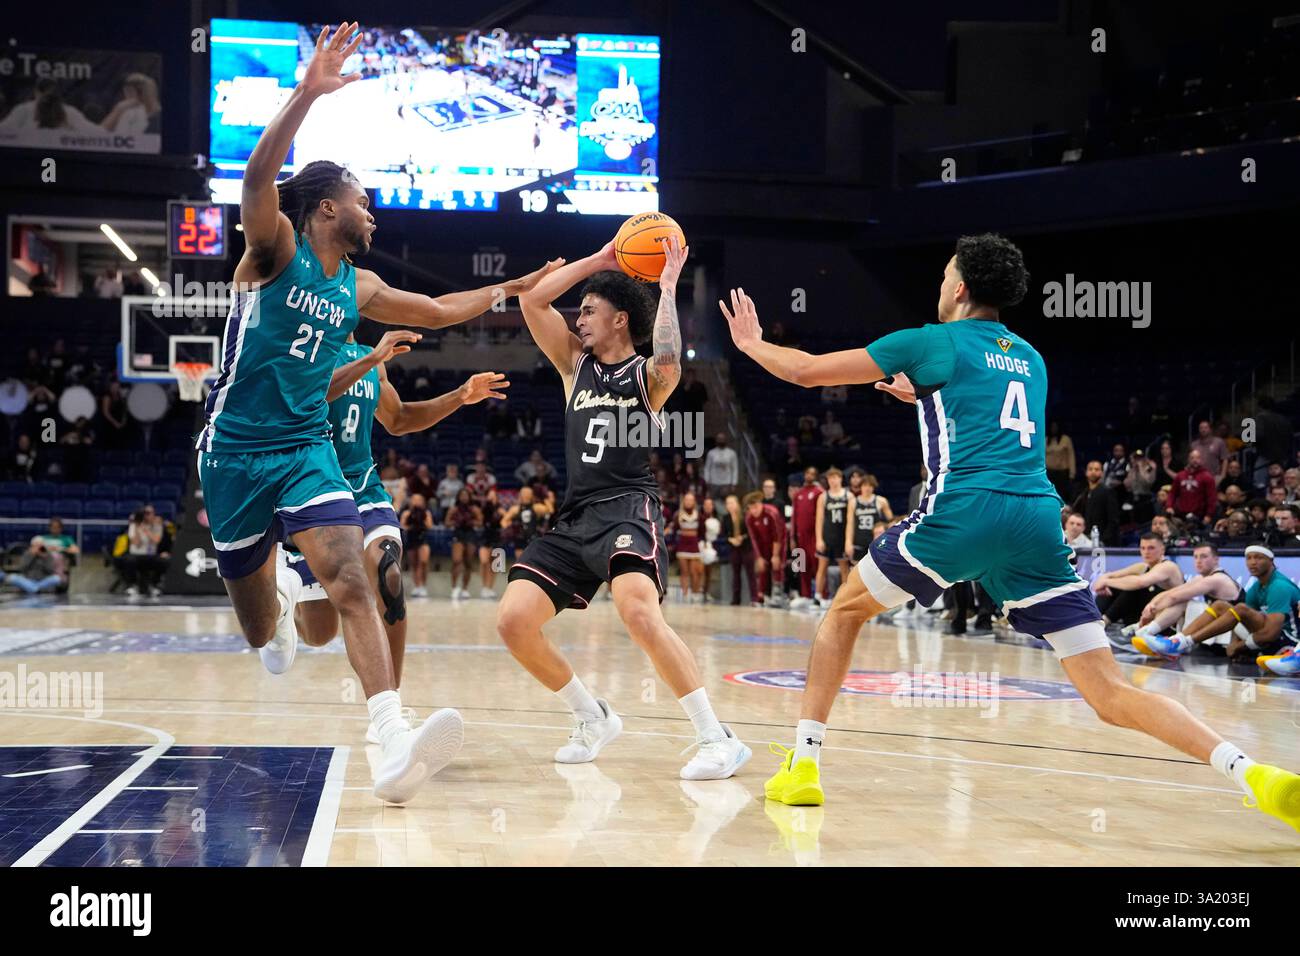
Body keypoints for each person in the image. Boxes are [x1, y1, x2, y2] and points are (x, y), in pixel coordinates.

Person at [719, 232, 1300, 829]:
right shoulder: (1029, 356)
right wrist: (919, 395)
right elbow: (983, 406)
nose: (940, 283)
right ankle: (1251, 772)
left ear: (962, 287)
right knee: (1110, 693)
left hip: (966, 510)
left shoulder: (929, 340)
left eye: (946, 273)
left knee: (842, 613)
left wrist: (752, 343)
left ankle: (805, 766)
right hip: (1035, 520)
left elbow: (810, 372)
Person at [192, 23, 557, 806]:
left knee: (355, 577)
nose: (375, 216)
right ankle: (277, 608)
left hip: (303, 447)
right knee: (264, 636)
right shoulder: (274, 248)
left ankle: (388, 737)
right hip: (230, 453)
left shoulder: (356, 288)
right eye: (365, 203)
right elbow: (258, 173)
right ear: (327, 208)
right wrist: (308, 93)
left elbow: (435, 309)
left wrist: (514, 289)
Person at [499, 234, 750, 779]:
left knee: (637, 609)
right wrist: (600, 260)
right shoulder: (574, 365)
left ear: (619, 320)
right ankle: (592, 718)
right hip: (574, 515)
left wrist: (665, 288)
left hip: (626, 506)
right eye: (580, 310)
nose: (579, 318)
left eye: (590, 310)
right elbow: (531, 301)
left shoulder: (643, 376)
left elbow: (668, 362)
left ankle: (717, 738)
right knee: (514, 620)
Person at [281, 329, 506, 735]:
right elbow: (303, 401)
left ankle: (389, 709)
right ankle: (286, 597)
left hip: (363, 487)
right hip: (316, 488)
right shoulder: (306, 348)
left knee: (388, 571)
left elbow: (399, 419)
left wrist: (459, 395)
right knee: (318, 634)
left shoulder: (372, 356)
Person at [1135, 546, 1300, 675]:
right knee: (1221, 605)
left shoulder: (1279, 586)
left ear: (1271, 561)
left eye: (1258, 558)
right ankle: (1177, 641)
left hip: (1284, 640)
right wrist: (1235, 645)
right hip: (1250, 635)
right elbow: (1172, 594)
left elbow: (1270, 633)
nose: (1252, 562)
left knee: (1236, 608)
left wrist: (1239, 646)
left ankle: (1174, 642)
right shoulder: (1257, 586)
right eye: (1249, 558)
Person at [1123, 543, 1244, 644]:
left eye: (1203, 557)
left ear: (1216, 559)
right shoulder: (1202, 578)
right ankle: (1148, 631)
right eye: (1195, 557)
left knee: (1183, 601)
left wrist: (1152, 610)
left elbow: (1175, 597)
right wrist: (1151, 605)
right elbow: (1172, 591)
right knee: (1179, 599)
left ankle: (1150, 633)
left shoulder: (1216, 579)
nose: (1198, 561)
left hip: (1235, 629)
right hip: (1220, 625)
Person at [1090, 532, 1184, 626]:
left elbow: (1140, 582)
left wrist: (1106, 581)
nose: (1146, 552)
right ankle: (1093, 621)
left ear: (1162, 550)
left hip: (1167, 621)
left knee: (1134, 586)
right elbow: (1109, 576)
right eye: (1143, 548)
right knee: (1115, 585)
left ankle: (1102, 623)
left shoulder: (1168, 567)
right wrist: (1104, 581)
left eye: (1151, 548)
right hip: (1144, 615)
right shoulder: (1143, 567)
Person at [814, 468, 851, 605]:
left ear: (840, 479)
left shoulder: (849, 496)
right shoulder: (823, 497)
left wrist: (848, 540)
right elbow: (819, 520)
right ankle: (817, 597)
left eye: (836, 478)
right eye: (830, 478)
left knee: (844, 569)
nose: (833, 481)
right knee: (822, 567)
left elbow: (851, 521)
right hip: (827, 537)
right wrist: (819, 539)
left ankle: (845, 598)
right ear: (828, 480)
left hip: (841, 537)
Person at [744, 491, 788, 608]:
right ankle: (763, 595)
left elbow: (777, 535)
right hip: (762, 544)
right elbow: (753, 538)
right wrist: (758, 557)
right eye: (751, 508)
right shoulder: (749, 518)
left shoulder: (771, 513)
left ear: (761, 504)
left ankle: (778, 594)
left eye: (756, 507)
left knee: (776, 566)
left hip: (779, 542)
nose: (754, 511)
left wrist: (776, 555)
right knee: (762, 566)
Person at [789, 466, 823, 607]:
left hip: (814, 537)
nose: (809, 475)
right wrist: (792, 537)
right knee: (802, 567)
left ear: (816, 476)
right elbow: (794, 516)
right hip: (800, 538)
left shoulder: (819, 492)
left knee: (817, 566)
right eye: (807, 473)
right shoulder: (798, 494)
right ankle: (805, 595)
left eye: (812, 473)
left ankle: (821, 596)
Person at [118, 505, 169, 598]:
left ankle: (155, 585)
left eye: (149, 513)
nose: (146, 516)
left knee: (163, 561)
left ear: (154, 514)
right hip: (136, 555)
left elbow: (156, 540)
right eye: (145, 514)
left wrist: (147, 530)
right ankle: (132, 586)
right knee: (129, 560)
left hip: (151, 555)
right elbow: (136, 543)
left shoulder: (157, 525)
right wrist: (138, 527)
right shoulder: (134, 525)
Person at [669, 490, 704, 602]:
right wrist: (673, 544)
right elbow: (674, 531)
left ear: (694, 502)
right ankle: (685, 594)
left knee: (695, 571)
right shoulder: (678, 514)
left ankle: (695, 593)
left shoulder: (699, 515)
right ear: (684, 501)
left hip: (694, 545)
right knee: (684, 571)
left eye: (691, 500)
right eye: (687, 500)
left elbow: (702, 531)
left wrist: (701, 542)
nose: (689, 502)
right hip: (683, 545)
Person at [444, 488, 479, 599]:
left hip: (470, 534)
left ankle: (464, 589)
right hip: (458, 534)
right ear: (458, 497)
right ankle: (454, 588)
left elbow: (480, 521)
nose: (464, 497)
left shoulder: (474, 509)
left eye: (466, 495)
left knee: (468, 562)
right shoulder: (454, 509)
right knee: (457, 560)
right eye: (462, 495)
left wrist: (471, 522)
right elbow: (447, 523)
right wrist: (456, 522)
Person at [721, 493, 753, 606]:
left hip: (746, 547)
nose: (729, 505)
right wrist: (730, 539)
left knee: (750, 573)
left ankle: (755, 598)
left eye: (731, 502)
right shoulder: (725, 518)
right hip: (733, 548)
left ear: (737, 504)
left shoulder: (745, 515)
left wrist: (742, 538)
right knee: (735, 574)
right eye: (727, 503)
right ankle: (736, 599)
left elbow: (750, 532)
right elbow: (722, 535)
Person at [401, 493, 435, 597]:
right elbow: (402, 526)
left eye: (419, 499)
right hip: (412, 538)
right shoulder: (407, 513)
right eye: (414, 499)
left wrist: (421, 521)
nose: (416, 502)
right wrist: (411, 524)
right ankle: (417, 586)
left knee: (423, 562)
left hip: (423, 538)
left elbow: (429, 525)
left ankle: (423, 585)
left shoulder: (426, 513)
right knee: (414, 563)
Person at [1044, 421, 1075, 500]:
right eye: (1052, 427)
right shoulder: (1046, 440)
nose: (1054, 429)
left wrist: (1072, 473)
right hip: (1049, 473)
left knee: (1061, 495)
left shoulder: (1066, 439)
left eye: (1055, 426)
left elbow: (1071, 456)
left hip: (1062, 474)